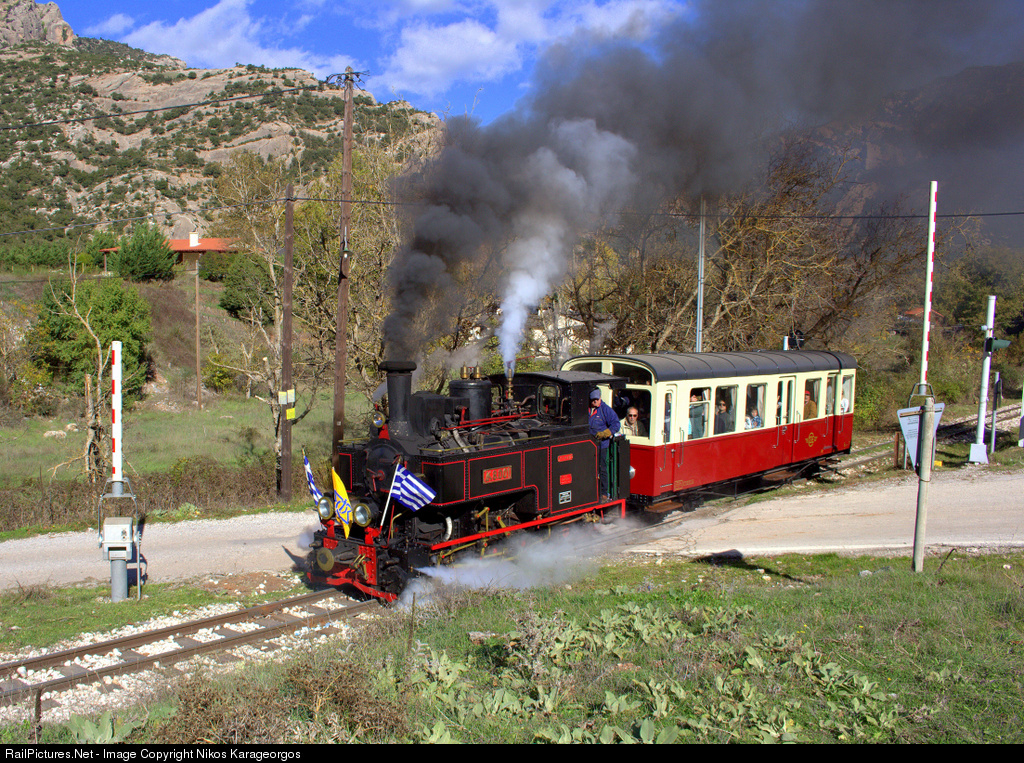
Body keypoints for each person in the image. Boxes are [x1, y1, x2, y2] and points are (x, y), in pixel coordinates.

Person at [589, 388, 620, 500]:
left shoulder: (606, 410)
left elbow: (616, 424)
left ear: (600, 398)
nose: (595, 402)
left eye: (596, 399)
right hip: (588, 445)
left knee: (602, 468)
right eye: (593, 400)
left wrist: (606, 433)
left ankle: (604, 493)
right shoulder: (587, 410)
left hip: (601, 445)